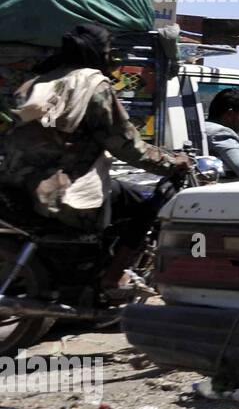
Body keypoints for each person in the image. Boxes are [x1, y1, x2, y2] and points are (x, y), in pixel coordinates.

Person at [0, 24, 192, 275]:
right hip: (59, 190)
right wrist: (173, 162)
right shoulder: (92, 86)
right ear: (96, 52)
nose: (110, 58)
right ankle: (114, 275)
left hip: (15, 184)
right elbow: (127, 147)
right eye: (109, 51)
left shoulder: (35, 83)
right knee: (143, 201)